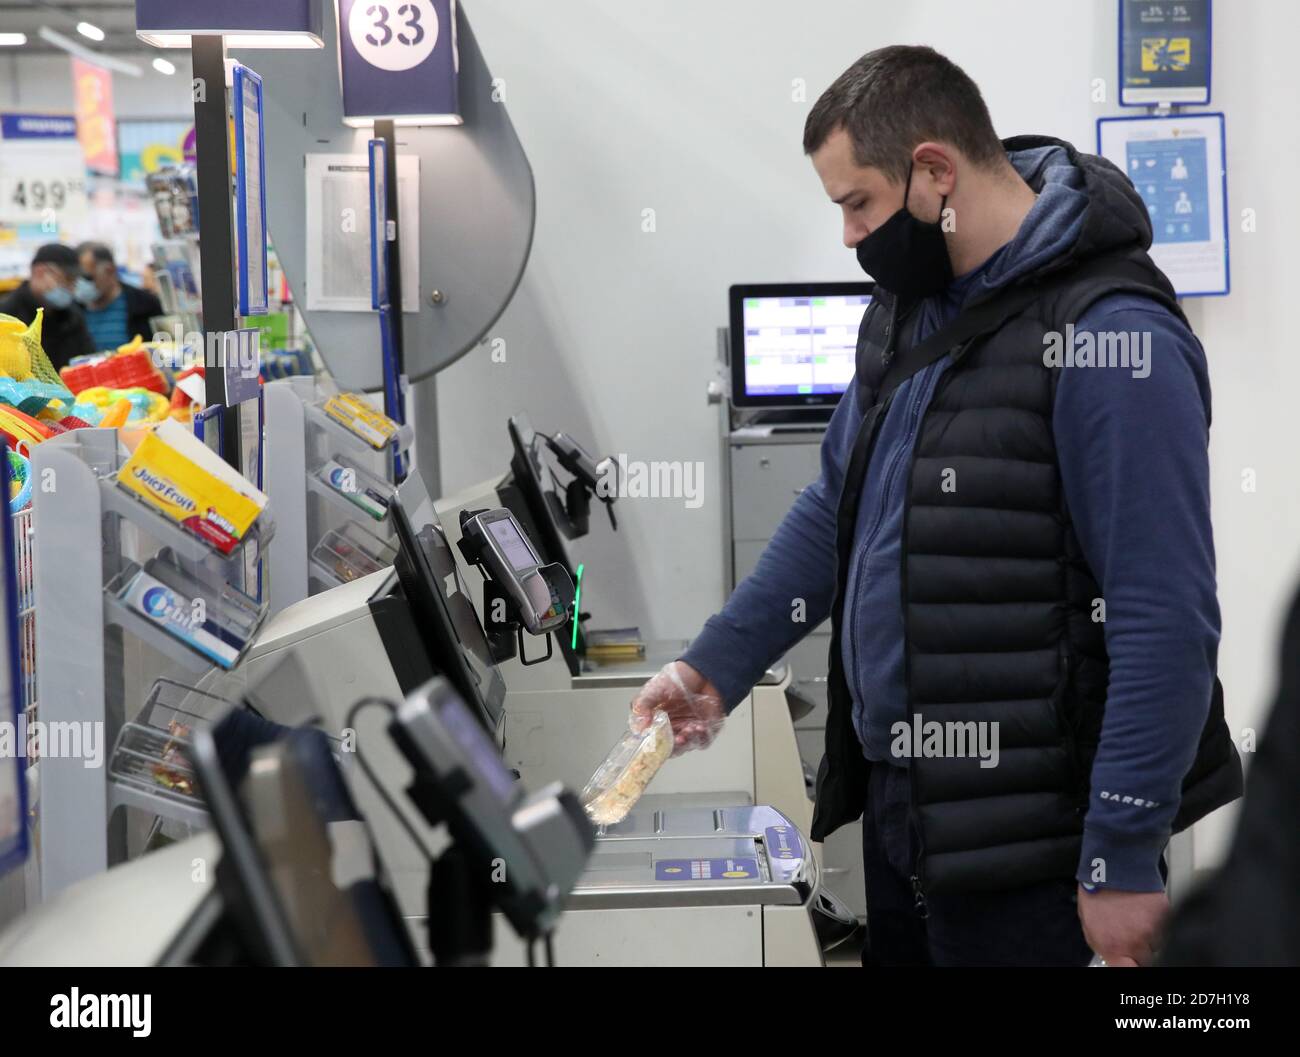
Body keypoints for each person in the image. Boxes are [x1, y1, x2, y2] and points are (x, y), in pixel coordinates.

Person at [630, 45, 1241, 967]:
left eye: (857, 203)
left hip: (1043, 859)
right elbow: (835, 509)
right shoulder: (908, 312)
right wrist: (713, 667)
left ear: (934, 172)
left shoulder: (1113, 338)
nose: (848, 236)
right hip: (912, 828)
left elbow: (1165, 617)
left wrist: (1120, 854)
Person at [0, 243, 95, 371]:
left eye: (74, 280)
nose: (71, 288)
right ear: (40, 272)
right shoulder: (7, 317)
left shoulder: (73, 317)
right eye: (67, 279)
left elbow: (87, 358)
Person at [76, 242, 164, 352]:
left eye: (87, 277)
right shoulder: (71, 313)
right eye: (76, 278)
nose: (81, 284)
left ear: (110, 270)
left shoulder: (145, 304)